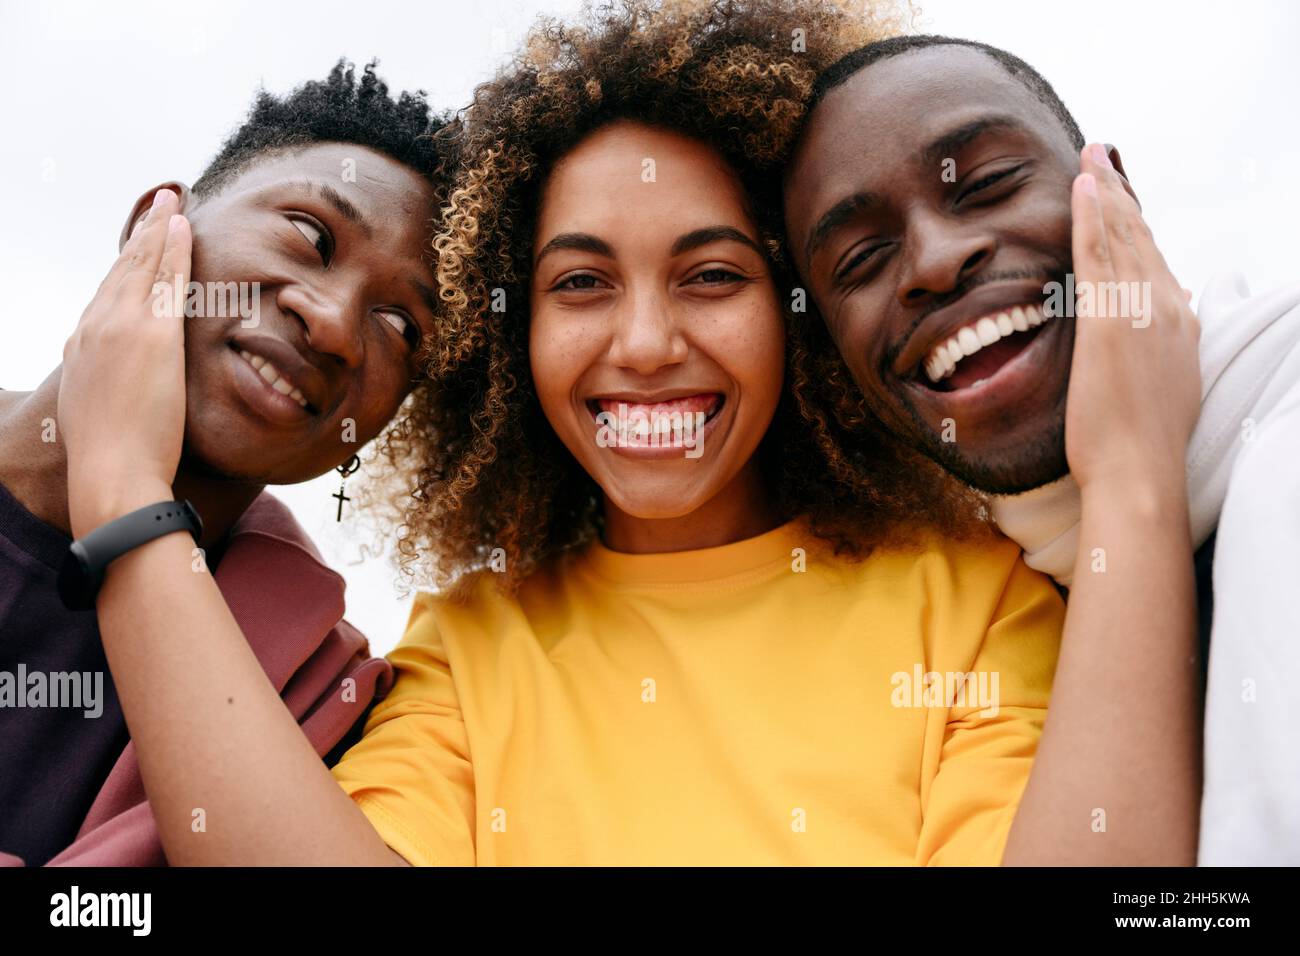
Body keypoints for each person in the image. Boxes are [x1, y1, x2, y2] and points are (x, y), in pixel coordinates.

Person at [54, 0, 1190, 866]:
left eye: (709, 274)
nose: (644, 342)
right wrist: (123, 496)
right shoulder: (467, 647)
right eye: (582, 281)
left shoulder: (974, 600)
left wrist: (1132, 481)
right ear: (509, 340)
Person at [780, 34, 1300, 863]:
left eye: (986, 183)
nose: (938, 262)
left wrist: (1132, 473)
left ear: (1115, 194)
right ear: (838, 377)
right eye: (862, 259)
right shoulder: (992, 612)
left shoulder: (1283, 462)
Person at [0, 60, 446, 866]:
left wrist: (127, 491)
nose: (336, 324)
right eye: (312, 236)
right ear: (155, 222)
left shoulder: (325, 698)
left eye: (402, 325)